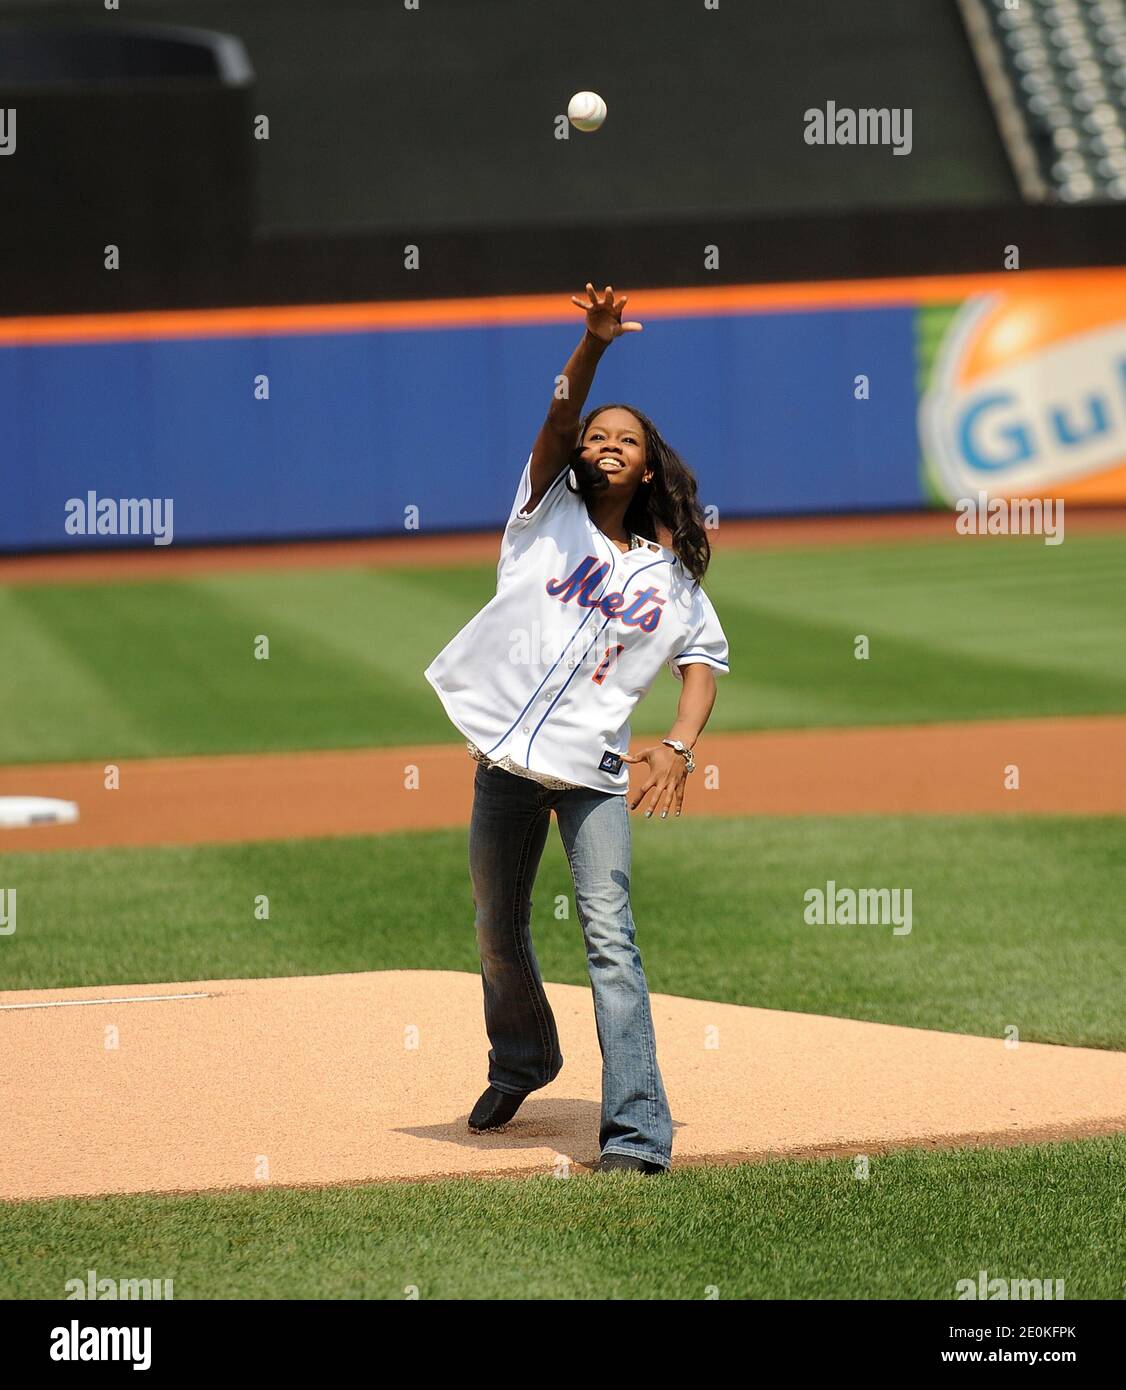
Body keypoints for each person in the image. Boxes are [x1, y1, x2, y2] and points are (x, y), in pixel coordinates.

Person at [424, 283, 730, 1175]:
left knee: (610, 938)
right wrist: (591, 347)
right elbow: (557, 421)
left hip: (593, 774)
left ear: (646, 467)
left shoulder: (668, 578)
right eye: (596, 436)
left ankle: (637, 1135)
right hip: (507, 763)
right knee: (495, 925)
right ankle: (524, 1059)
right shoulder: (542, 512)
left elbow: (703, 659)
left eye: (621, 441)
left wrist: (678, 744)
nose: (601, 445)